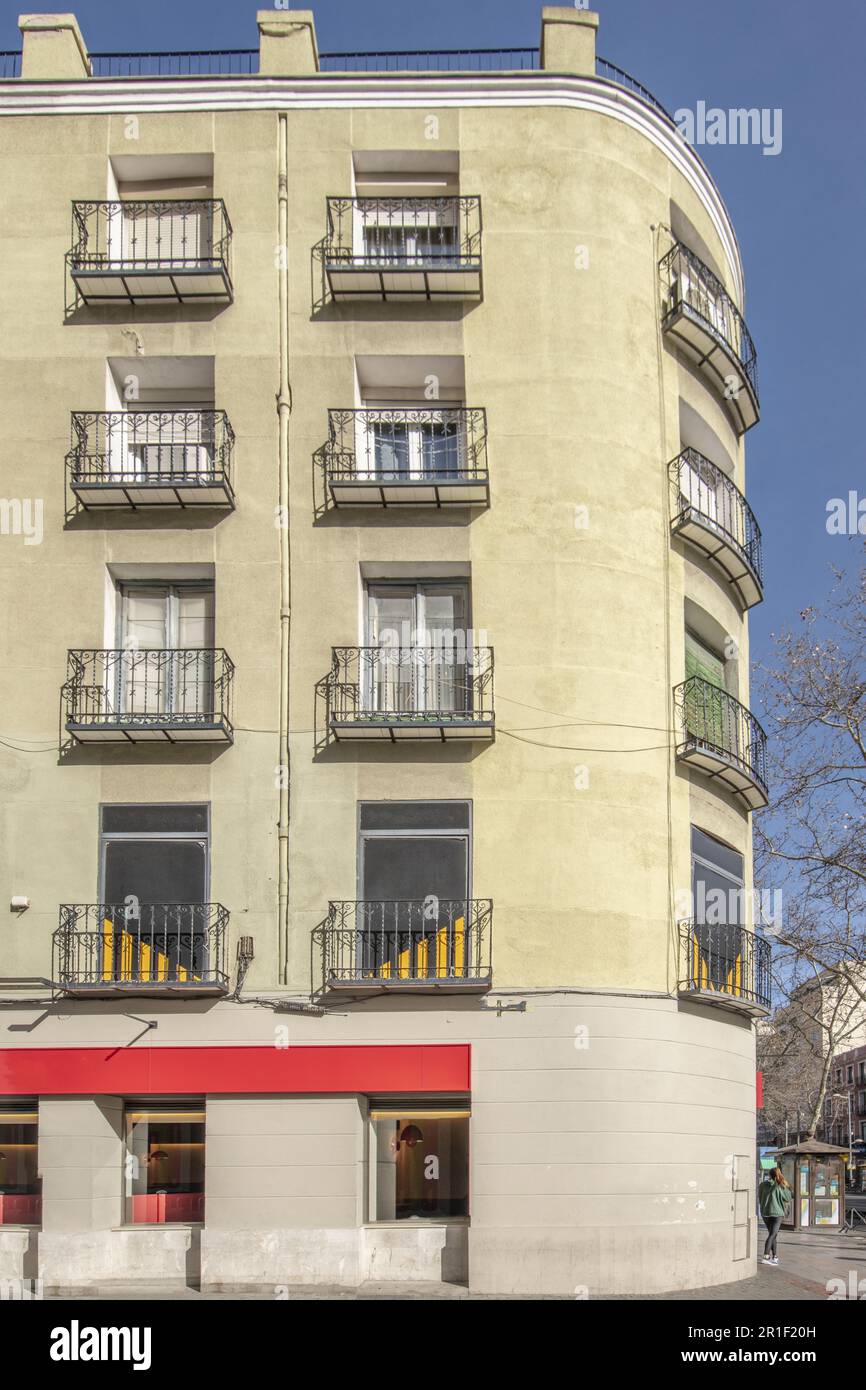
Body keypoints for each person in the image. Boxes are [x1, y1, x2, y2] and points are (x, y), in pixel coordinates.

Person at [758, 1165, 792, 1264]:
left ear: (769, 1175)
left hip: (765, 1213)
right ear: (779, 1174)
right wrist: (785, 1186)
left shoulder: (762, 1185)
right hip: (777, 1213)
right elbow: (787, 1198)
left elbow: (759, 1197)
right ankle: (766, 1256)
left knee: (772, 1234)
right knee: (773, 1234)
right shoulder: (780, 1185)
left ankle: (775, 1256)